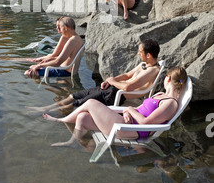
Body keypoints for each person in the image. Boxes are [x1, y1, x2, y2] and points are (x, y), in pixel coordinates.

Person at [42, 67, 187, 146]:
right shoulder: (160, 95)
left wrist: (128, 109)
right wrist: (128, 112)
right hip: (126, 121)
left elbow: (145, 123)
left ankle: (62, 120)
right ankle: (71, 142)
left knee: (91, 103)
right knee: (82, 117)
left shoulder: (169, 103)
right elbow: (141, 110)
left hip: (131, 130)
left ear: (167, 79)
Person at [27, 39, 160, 113]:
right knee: (75, 95)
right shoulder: (144, 65)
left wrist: (113, 81)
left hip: (114, 95)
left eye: (140, 52)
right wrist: (109, 80)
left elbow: (129, 87)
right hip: (112, 88)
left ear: (148, 55)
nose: (138, 54)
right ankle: (46, 108)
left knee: (78, 104)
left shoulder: (151, 71)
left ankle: (50, 113)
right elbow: (127, 75)